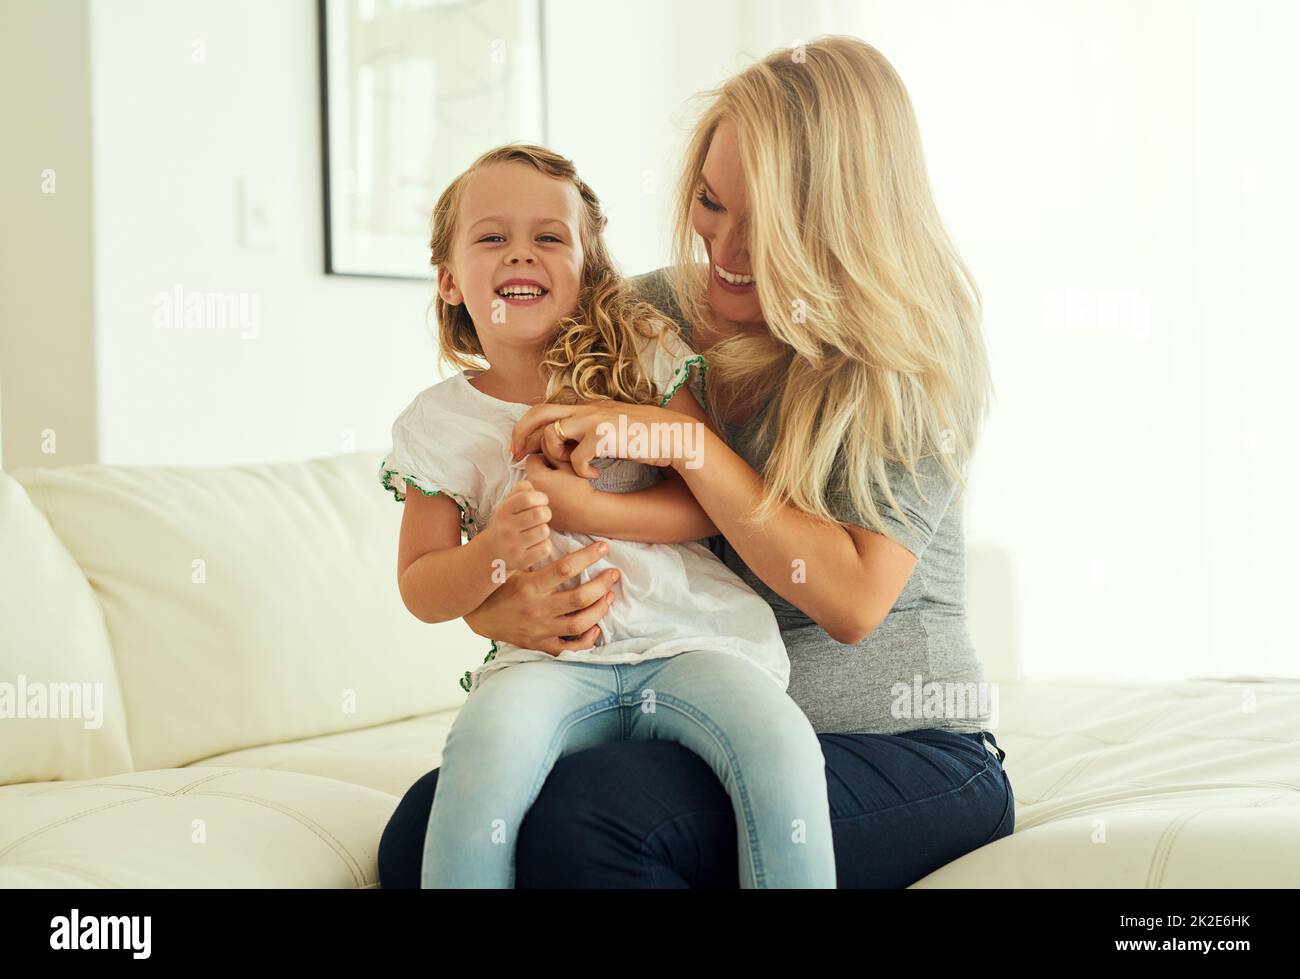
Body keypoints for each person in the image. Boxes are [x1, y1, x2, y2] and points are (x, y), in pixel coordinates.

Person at [379, 35, 1014, 889]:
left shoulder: (913, 354)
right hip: (653, 703)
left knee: (590, 823)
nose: (725, 247)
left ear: (843, 224)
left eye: (770, 223)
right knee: (423, 826)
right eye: (712, 203)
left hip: (898, 746)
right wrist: (504, 612)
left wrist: (690, 445)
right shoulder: (644, 316)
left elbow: (852, 600)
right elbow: (496, 503)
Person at [380, 142, 836, 887]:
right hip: (548, 665)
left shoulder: (643, 354)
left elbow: (705, 508)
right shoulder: (437, 425)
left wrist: (588, 505)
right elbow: (422, 585)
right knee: (480, 756)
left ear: (589, 269)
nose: (521, 254)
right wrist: (495, 549)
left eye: (549, 237)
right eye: (492, 237)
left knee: (780, 743)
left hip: (688, 638)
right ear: (449, 280)